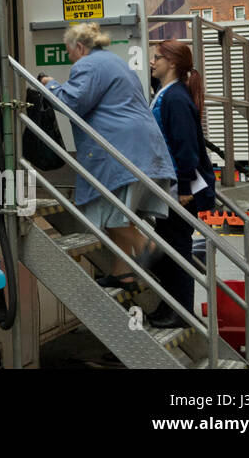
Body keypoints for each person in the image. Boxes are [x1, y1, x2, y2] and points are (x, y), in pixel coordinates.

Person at [37, 23, 176, 291]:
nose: (69, 58)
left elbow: (70, 103)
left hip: (119, 150)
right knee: (117, 214)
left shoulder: (87, 66)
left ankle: (146, 245)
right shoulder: (115, 62)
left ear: (79, 47)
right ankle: (123, 274)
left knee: (105, 212)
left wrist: (49, 84)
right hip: (142, 147)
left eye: (69, 52)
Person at [146, 39, 217, 328]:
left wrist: (186, 188)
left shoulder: (175, 98)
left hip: (180, 190)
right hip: (170, 187)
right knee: (168, 249)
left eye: (157, 57)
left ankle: (182, 312)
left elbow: (185, 146)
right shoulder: (168, 93)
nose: (152, 62)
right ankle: (170, 306)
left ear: (172, 63)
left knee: (177, 249)